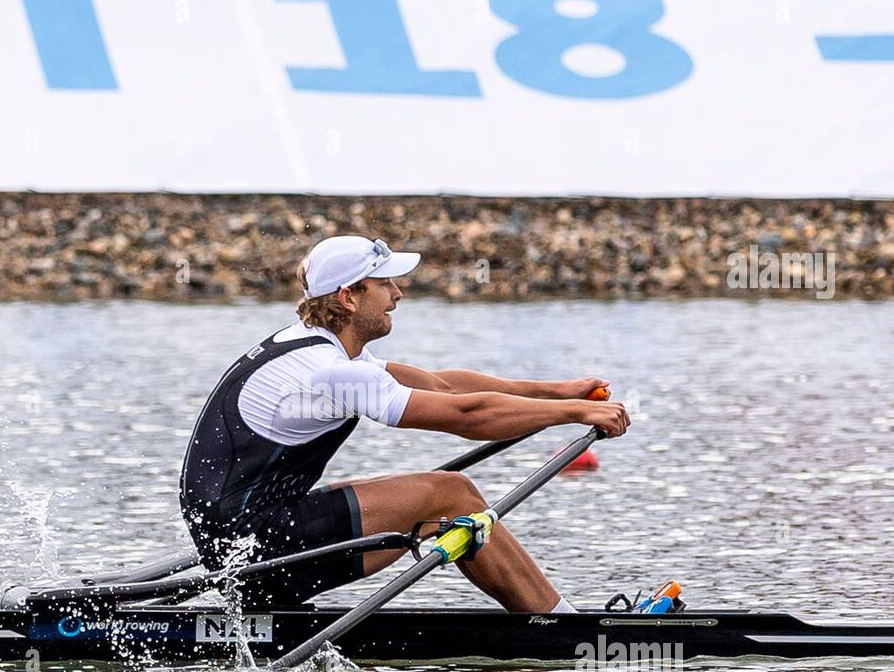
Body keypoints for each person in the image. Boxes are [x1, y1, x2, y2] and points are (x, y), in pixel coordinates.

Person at [179, 235, 629, 612]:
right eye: (384, 283)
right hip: (252, 552)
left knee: (420, 490)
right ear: (348, 298)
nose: (397, 293)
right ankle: (566, 628)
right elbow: (465, 416)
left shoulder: (319, 347)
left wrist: (557, 392)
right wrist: (577, 414)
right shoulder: (330, 370)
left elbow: (444, 387)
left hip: (245, 537)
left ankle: (549, 615)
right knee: (450, 495)